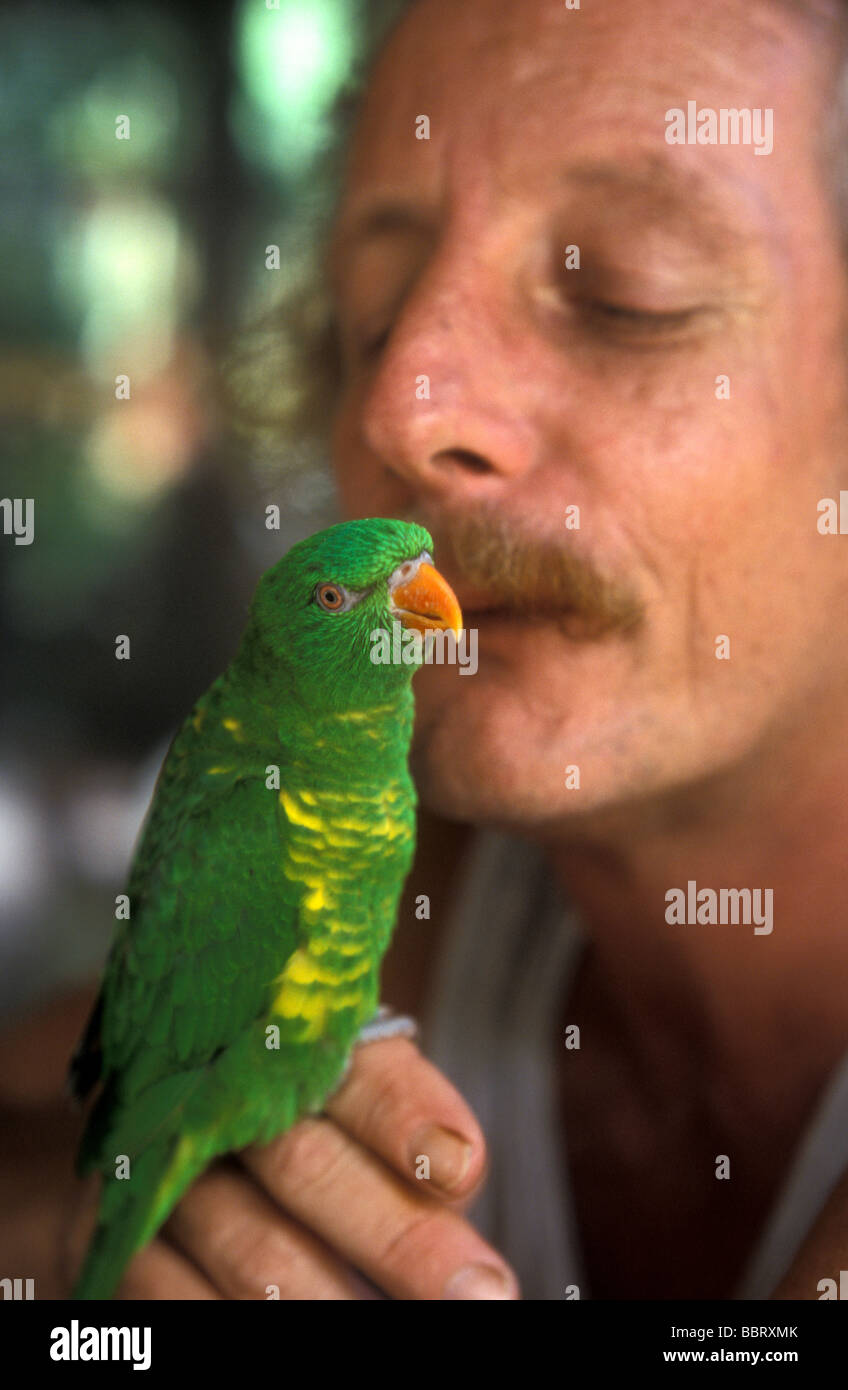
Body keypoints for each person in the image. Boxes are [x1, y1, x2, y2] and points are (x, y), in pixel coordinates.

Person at [5, 0, 848, 1299]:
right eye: (372, 318)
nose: (404, 410)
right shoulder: (380, 871)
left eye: (624, 294)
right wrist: (51, 1225)